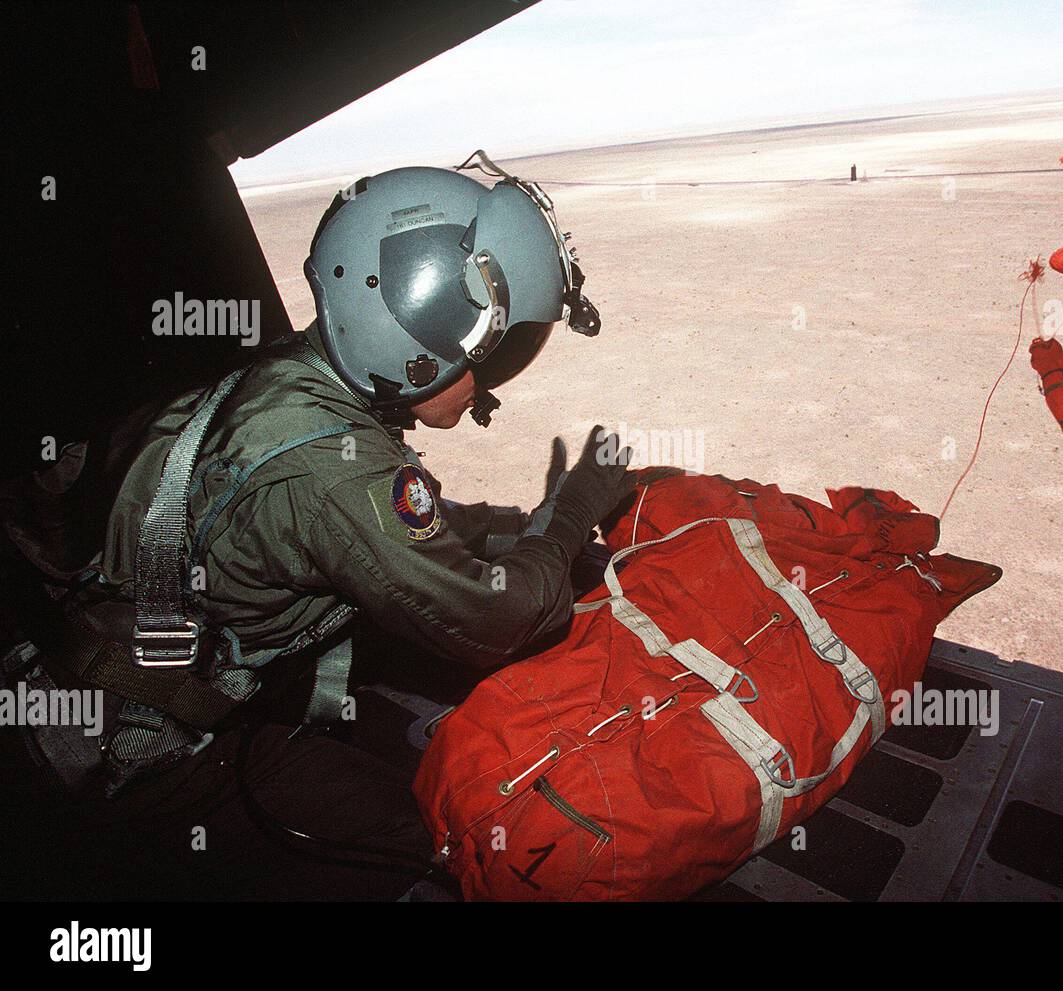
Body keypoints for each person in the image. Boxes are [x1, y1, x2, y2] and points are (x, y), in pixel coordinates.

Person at [0, 154, 640, 899]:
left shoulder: (293, 381)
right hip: (138, 756)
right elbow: (498, 617)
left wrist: (514, 523)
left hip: (76, 661)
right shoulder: (331, 470)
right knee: (426, 842)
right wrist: (568, 514)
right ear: (413, 328)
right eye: (488, 356)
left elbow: (398, 526)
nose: (488, 382)